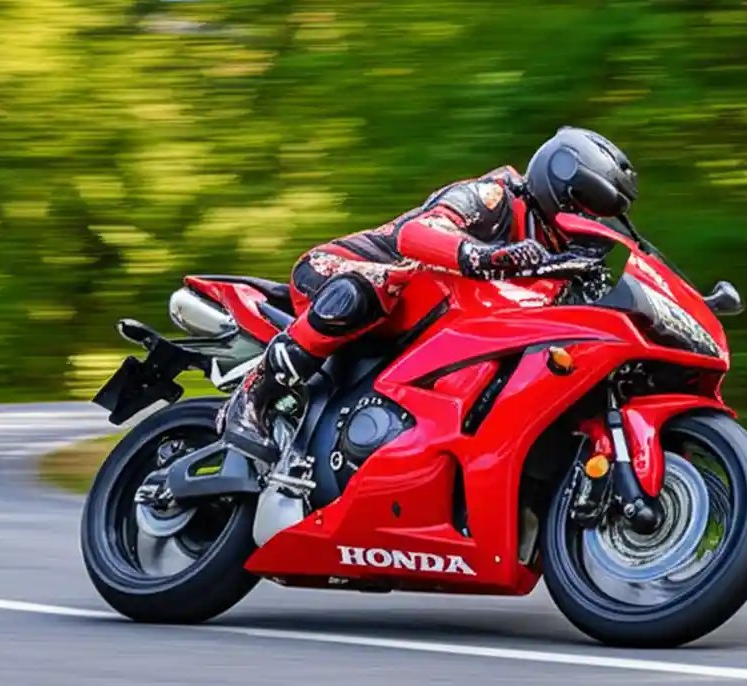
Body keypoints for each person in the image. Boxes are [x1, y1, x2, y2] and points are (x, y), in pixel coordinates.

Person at [219, 127, 639, 463]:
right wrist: (483, 255)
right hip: (336, 272)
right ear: (557, 177)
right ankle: (255, 394)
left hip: (408, 329)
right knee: (379, 284)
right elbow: (416, 233)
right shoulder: (494, 196)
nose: (588, 217)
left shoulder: (551, 253)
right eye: (586, 201)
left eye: (601, 212)